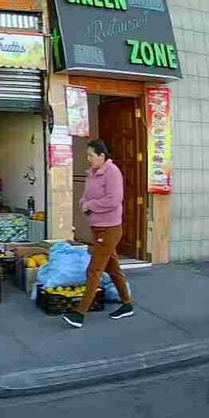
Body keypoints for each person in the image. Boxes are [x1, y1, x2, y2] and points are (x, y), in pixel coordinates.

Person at [63, 140, 134, 329]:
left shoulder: (112, 172)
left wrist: (90, 206)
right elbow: (86, 197)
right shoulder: (91, 174)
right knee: (112, 267)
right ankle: (127, 304)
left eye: (90, 155)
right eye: (87, 155)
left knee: (93, 270)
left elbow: (114, 199)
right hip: (97, 226)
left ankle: (80, 313)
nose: (88, 159)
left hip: (110, 228)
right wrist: (83, 205)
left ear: (102, 156)